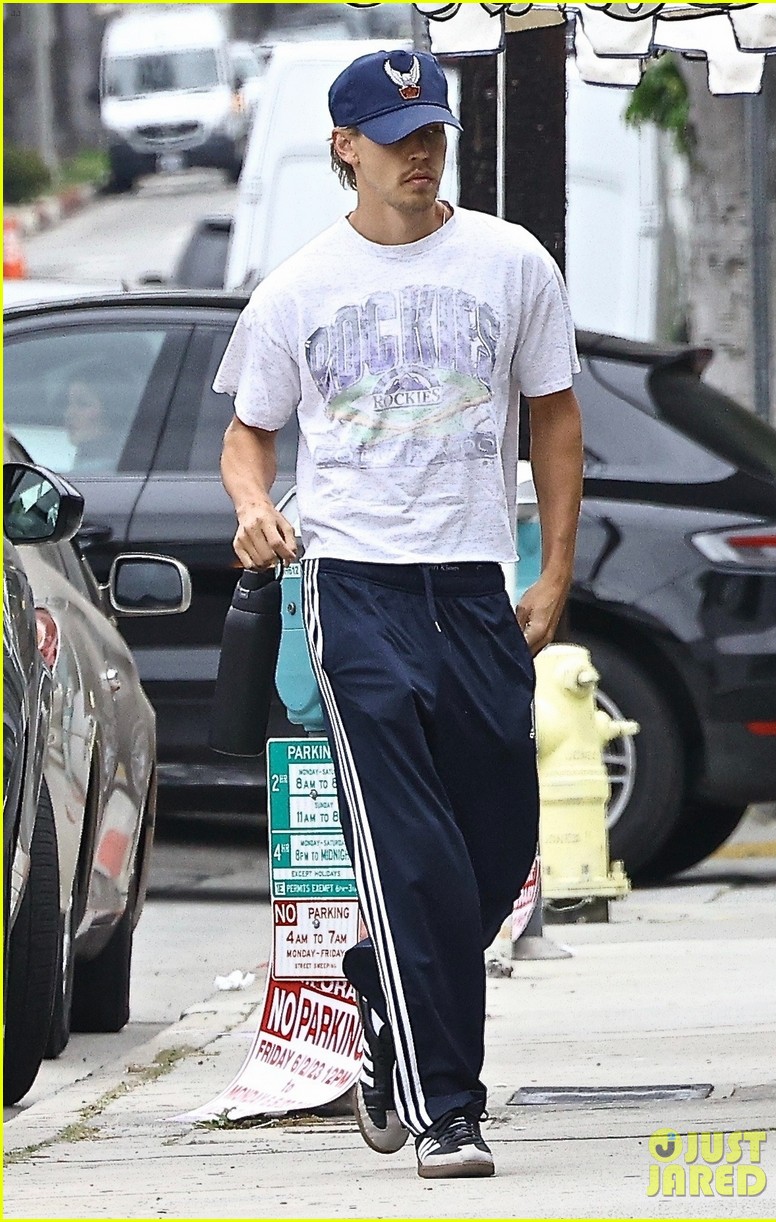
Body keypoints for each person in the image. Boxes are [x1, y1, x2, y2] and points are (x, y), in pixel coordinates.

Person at [216, 47, 583, 1179]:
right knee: (412, 853)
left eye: (432, 133)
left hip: (474, 585)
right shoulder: (295, 290)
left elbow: (556, 422)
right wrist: (250, 509)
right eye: (395, 137)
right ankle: (443, 1108)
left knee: (501, 847)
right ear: (346, 149)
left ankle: (383, 984)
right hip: (353, 586)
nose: (419, 154)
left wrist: (554, 571)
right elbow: (248, 436)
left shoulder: (510, 263)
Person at [63, 362, 119, 473]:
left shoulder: (102, 471)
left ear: (109, 411)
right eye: (67, 403)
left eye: (82, 403)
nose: (69, 413)